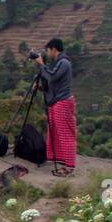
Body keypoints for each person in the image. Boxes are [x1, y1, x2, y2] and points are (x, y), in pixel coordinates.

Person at [37, 38, 77, 176]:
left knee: (65, 134)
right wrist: (42, 88)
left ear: (54, 49)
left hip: (63, 102)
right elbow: (53, 82)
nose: (48, 54)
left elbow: (52, 77)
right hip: (57, 102)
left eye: (48, 50)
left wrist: (41, 65)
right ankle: (63, 163)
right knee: (56, 134)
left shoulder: (64, 62)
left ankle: (69, 167)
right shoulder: (59, 63)